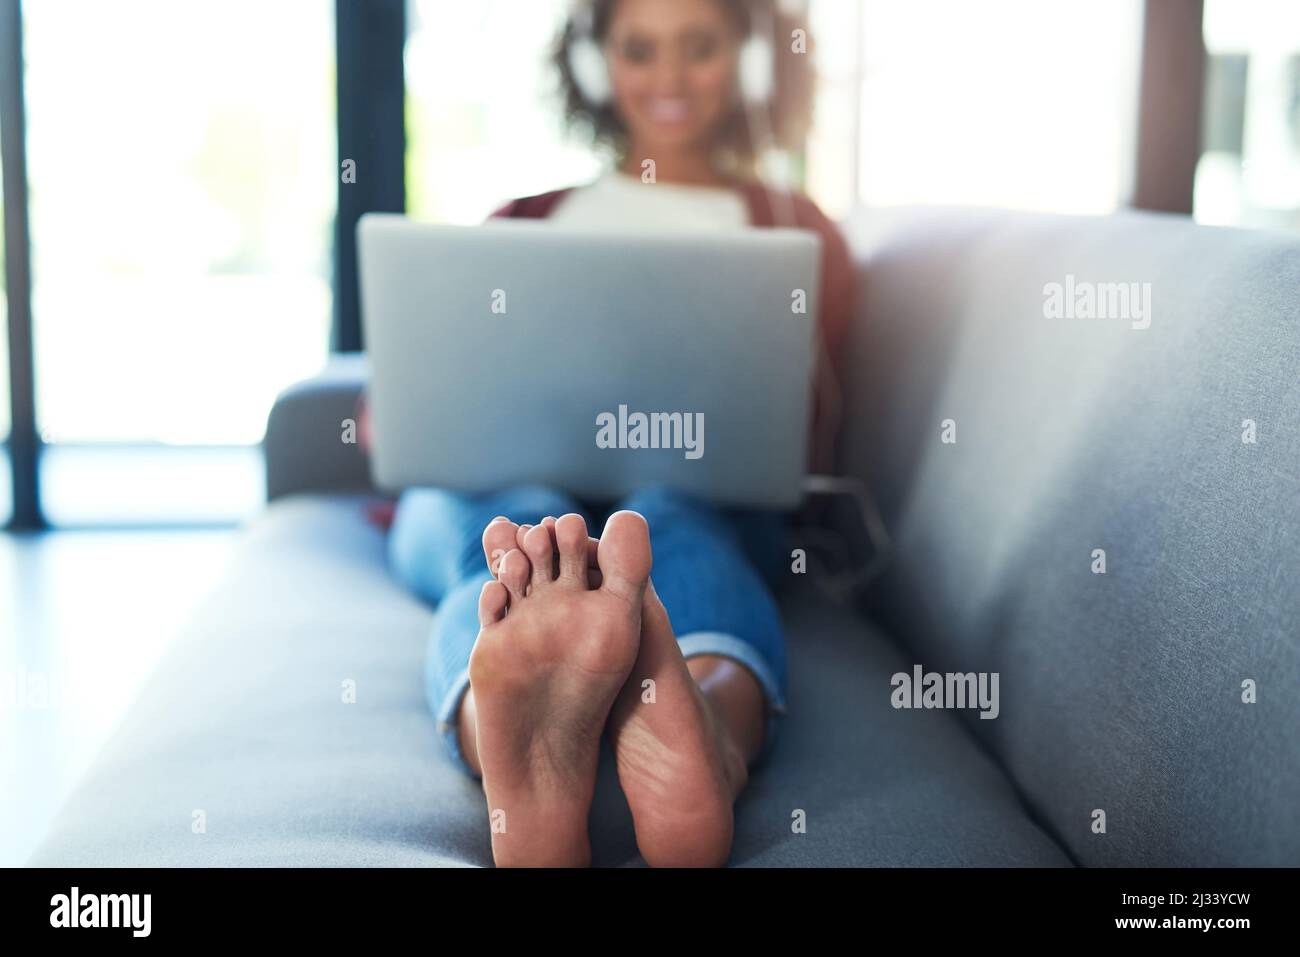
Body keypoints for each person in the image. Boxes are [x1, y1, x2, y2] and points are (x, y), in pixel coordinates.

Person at [379, 0, 854, 867]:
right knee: (515, 531)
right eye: (640, 49)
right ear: (597, 67)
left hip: (696, 490)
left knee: (671, 521)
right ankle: (516, 732)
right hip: (503, 481)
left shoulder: (792, 226)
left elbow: (808, 427)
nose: (668, 77)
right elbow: (430, 394)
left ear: (747, 61)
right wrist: (411, 401)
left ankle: (696, 731)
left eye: (699, 47)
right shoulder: (525, 218)